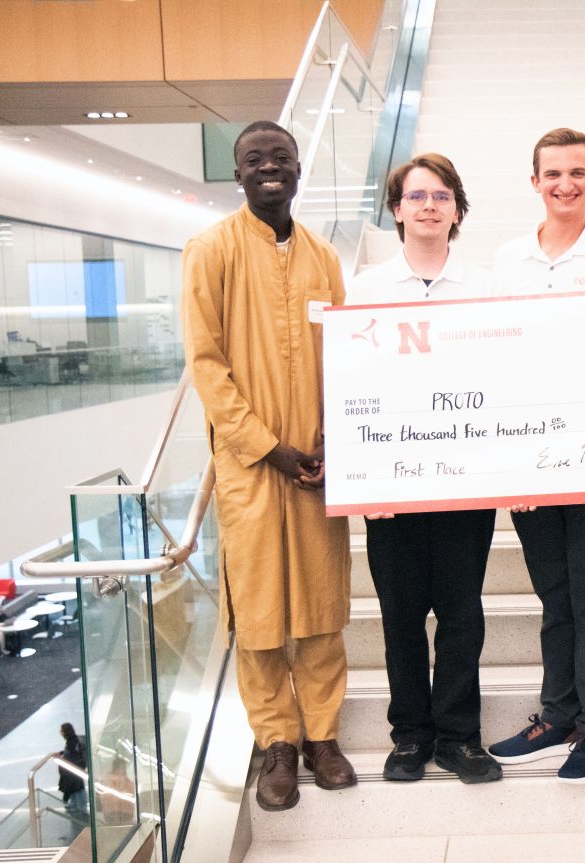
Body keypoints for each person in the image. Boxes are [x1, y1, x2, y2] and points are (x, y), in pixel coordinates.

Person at [182, 120, 357, 811]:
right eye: (254, 160)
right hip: (252, 469)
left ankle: (323, 736)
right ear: (238, 175)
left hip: (317, 465)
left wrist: (334, 440)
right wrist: (266, 446)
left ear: (297, 169)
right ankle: (277, 742)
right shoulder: (211, 250)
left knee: (320, 604)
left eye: (279, 157)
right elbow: (207, 365)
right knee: (257, 613)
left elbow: (346, 357)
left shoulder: (322, 257)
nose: (269, 168)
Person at [487, 128, 585, 783]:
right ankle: (557, 715)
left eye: (577, 173)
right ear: (533, 182)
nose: (565, 184)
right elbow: (496, 360)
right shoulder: (507, 261)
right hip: (531, 460)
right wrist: (510, 462)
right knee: (554, 595)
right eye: (552, 174)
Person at [349, 153, 501, 785]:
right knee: (401, 617)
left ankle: (460, 737)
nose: (430, 205)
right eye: (417, 196)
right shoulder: (366, 290)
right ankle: (410, 735)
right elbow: (353, 385)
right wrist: (363, 479)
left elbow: (503, 385)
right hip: (393, 486)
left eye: (442, 196)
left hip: (466, 482)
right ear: (397, 209)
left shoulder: (487, 287)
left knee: (463, 616)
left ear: (457, 209)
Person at [56, 722, 87, 818]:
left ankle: (80, 808)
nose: (60, 732)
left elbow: (72, 755)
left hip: (73, 771)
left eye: (61, 730)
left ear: (65, 731)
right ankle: (77, 807)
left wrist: (63, 758)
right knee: (76, 788)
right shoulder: (73, 740)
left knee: (76, 789)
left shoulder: (71, 742)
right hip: (75, 770)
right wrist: (61, 753)